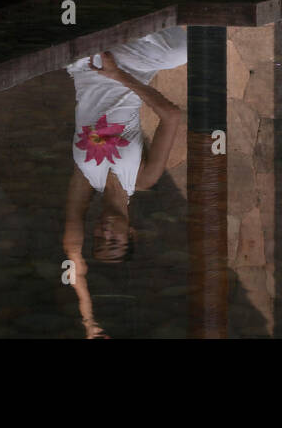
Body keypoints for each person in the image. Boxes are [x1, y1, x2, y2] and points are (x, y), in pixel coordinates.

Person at [60, 27, 186, 338]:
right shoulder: (144, 177)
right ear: (132, 233)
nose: (104, 233)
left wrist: (89, 321)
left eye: (98, 241)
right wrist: (119, 76)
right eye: (113, 241)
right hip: (132, 68)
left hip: (85, 66)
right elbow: (171, 115)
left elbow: (73, 256)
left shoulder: (85, 180)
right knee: (184, 50)